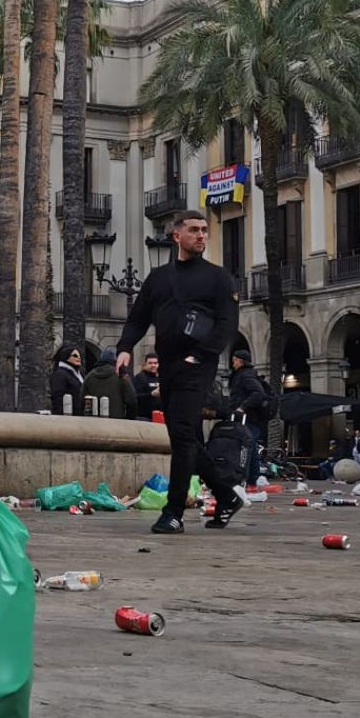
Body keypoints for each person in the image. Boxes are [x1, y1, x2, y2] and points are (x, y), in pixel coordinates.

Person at [113, 210, 241, 534]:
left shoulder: (219, 278)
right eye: (194, 230)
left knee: (183, 434)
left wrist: (200, 357)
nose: (201, 235)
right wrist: (125, 347)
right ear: (177, 236)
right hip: (168, 366)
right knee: (183, 437)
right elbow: (139, 317)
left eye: (204, 230)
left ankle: (173, 513)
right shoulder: (158, 278)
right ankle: (226, 495)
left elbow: (227, 325)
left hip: (197, 366)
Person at [227, 348, 270, 484]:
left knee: (248, 447)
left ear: (240, 361)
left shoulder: (245, 376)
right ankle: (252, 479)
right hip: (249, 419)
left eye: (234, 361)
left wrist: (242, 407)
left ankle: (251, 478)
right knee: (250, 447)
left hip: (248, 419)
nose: (232, 364)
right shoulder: (245, 375)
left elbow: (258, 393)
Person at [82, 346, 136, 420]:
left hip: (94, 422)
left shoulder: (89, 376)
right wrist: (129, 419)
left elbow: (81, 399)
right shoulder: (121, 375)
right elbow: (132, 400)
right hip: (117, 421)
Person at [49, 347, 86, 415]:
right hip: (67, 415)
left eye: (79, 356)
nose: (79, 358)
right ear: (66, 356)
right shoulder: (60, 374)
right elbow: (58, 397)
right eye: (75, 355)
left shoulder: (79, 374)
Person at [132, 354, 161, 420]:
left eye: (155, 363)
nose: (153, 365)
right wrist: (151, 394)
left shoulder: (161, 377)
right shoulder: (139, 378)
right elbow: (134, 396)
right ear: (145, 364)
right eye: (150, 363)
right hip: (145, 416)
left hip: (160, 415)